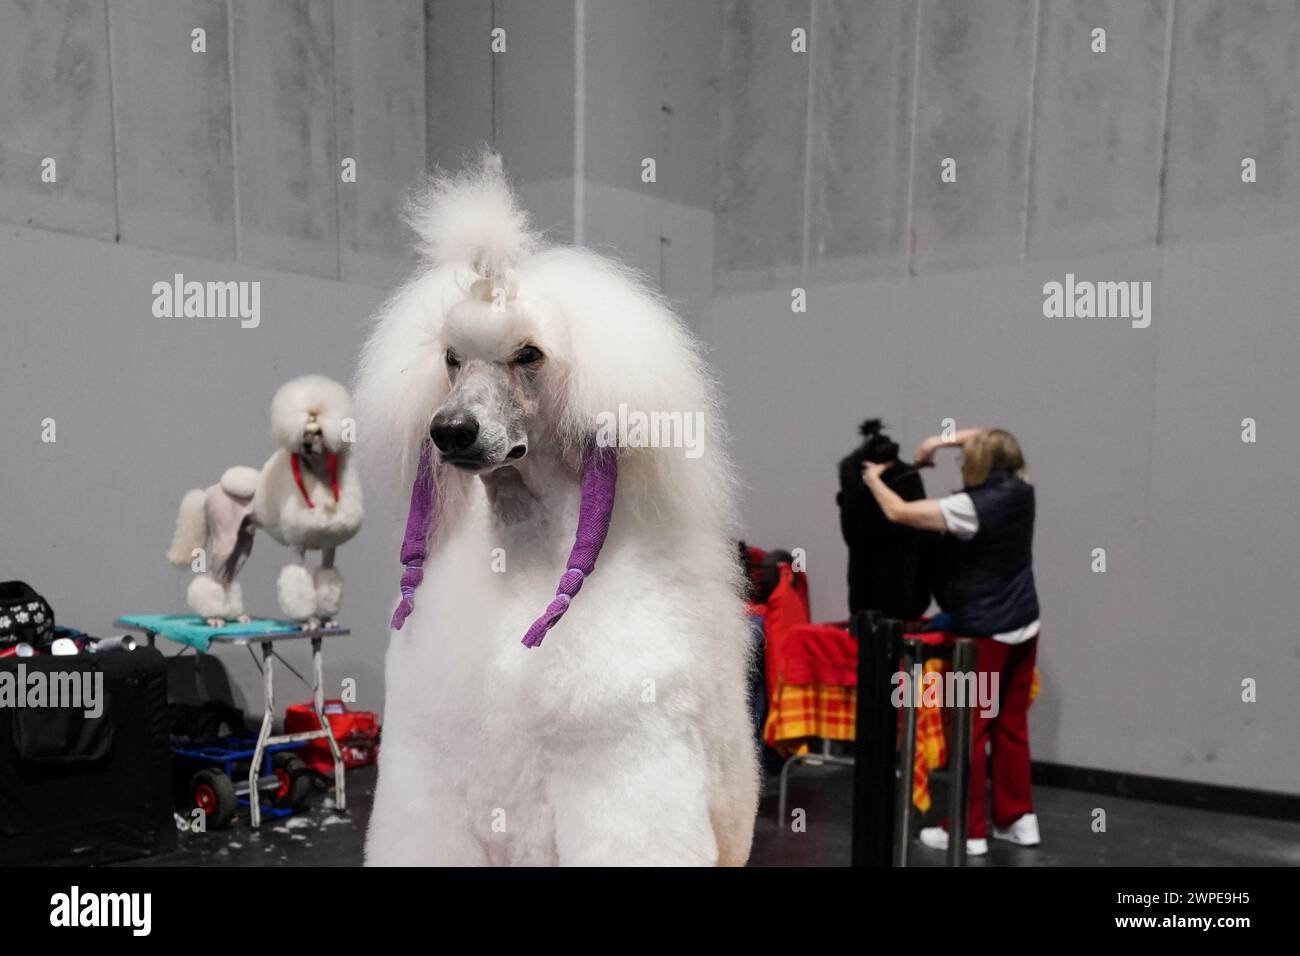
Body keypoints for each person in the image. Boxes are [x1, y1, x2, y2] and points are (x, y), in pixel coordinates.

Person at [861, 427, 1040, 856]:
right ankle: (1019, 820)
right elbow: (997, 436)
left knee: (969, 730)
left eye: (964, 459)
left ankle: (968, 829)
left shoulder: (968, 508)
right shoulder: (1023, 488)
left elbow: (899, 512)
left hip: (981, 635)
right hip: (1025, 627)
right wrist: (937, 443)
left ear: (979, 463)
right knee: (1010, 725)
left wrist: (872, 478)